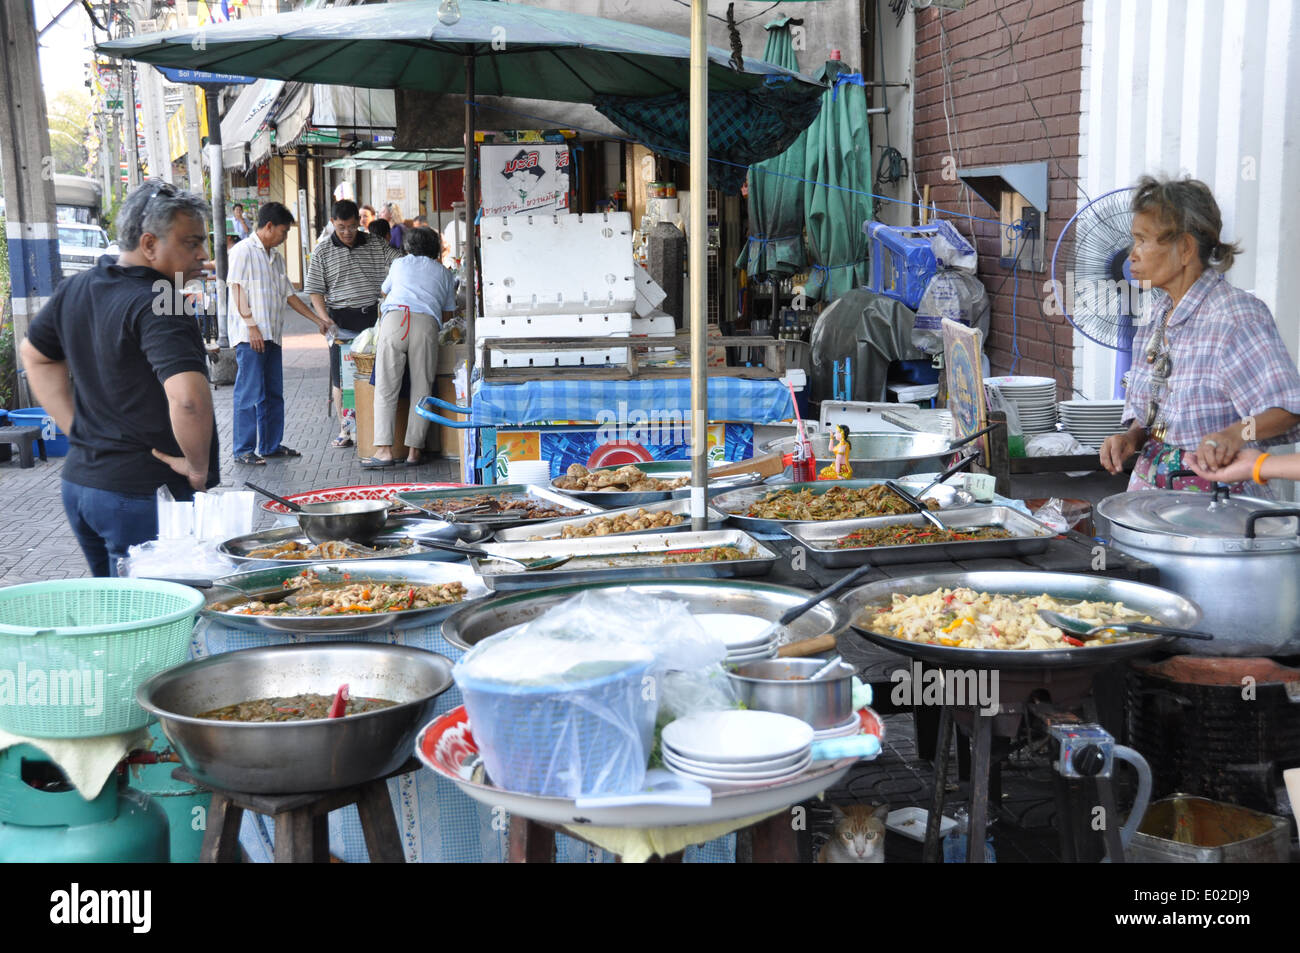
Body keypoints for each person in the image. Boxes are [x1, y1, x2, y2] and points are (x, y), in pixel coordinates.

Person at [20, 180, 220, 576]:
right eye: (192, 243)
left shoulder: (79, 286)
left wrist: (76, 430)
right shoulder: (161, 299)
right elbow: (189, 400)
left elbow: (34, 356)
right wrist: (198, 467)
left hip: (82, 487)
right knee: (155, 620)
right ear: (149, 244)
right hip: (143, 494)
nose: (204, 255)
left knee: (118, 614)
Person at [1099, 174, 1300, 495]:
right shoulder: (1159, 314)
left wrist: (1236, 434)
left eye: (1142, 240)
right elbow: (1159, 415)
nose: (1131, 254)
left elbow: (1288, 409)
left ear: (1185, 248)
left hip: (1218, 510)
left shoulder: (1235, 315)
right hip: (1150, 501)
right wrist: (1131, 438)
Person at [227, 201, 336, 465]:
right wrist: (251, 325)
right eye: (284, 231)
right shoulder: (243, 251)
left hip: (272, 335)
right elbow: (237, 288)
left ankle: (270, 445)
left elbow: (289, 295)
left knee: (273, 393)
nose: (285, 237)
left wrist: (317, 320)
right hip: (249, 335)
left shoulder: (276, 258)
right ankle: (243, 450)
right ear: (269, 226)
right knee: (249, 392)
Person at [304, 198, 400, 448]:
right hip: (341, 323)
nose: (347, 232)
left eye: (351, 226)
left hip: (374, 320)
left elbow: (400, 263)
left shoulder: (376, 244)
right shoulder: (322, 252)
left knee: (379, 375)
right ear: (332, 223)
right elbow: (315, 290)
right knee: (342, 380)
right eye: (341, 227)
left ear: (359, 223)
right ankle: (346, 430)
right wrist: (324, 318)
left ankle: (374, 427)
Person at [363, 227, 456, 467]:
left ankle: (384, 451)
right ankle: (414, 451)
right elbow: (448, 314)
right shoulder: (445, 274)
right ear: (435, 248)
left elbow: (384, 291)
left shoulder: (399, 264)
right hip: (425, 325)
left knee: (386, 387)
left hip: (395, 319)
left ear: (408, 246)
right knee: (422, 387)